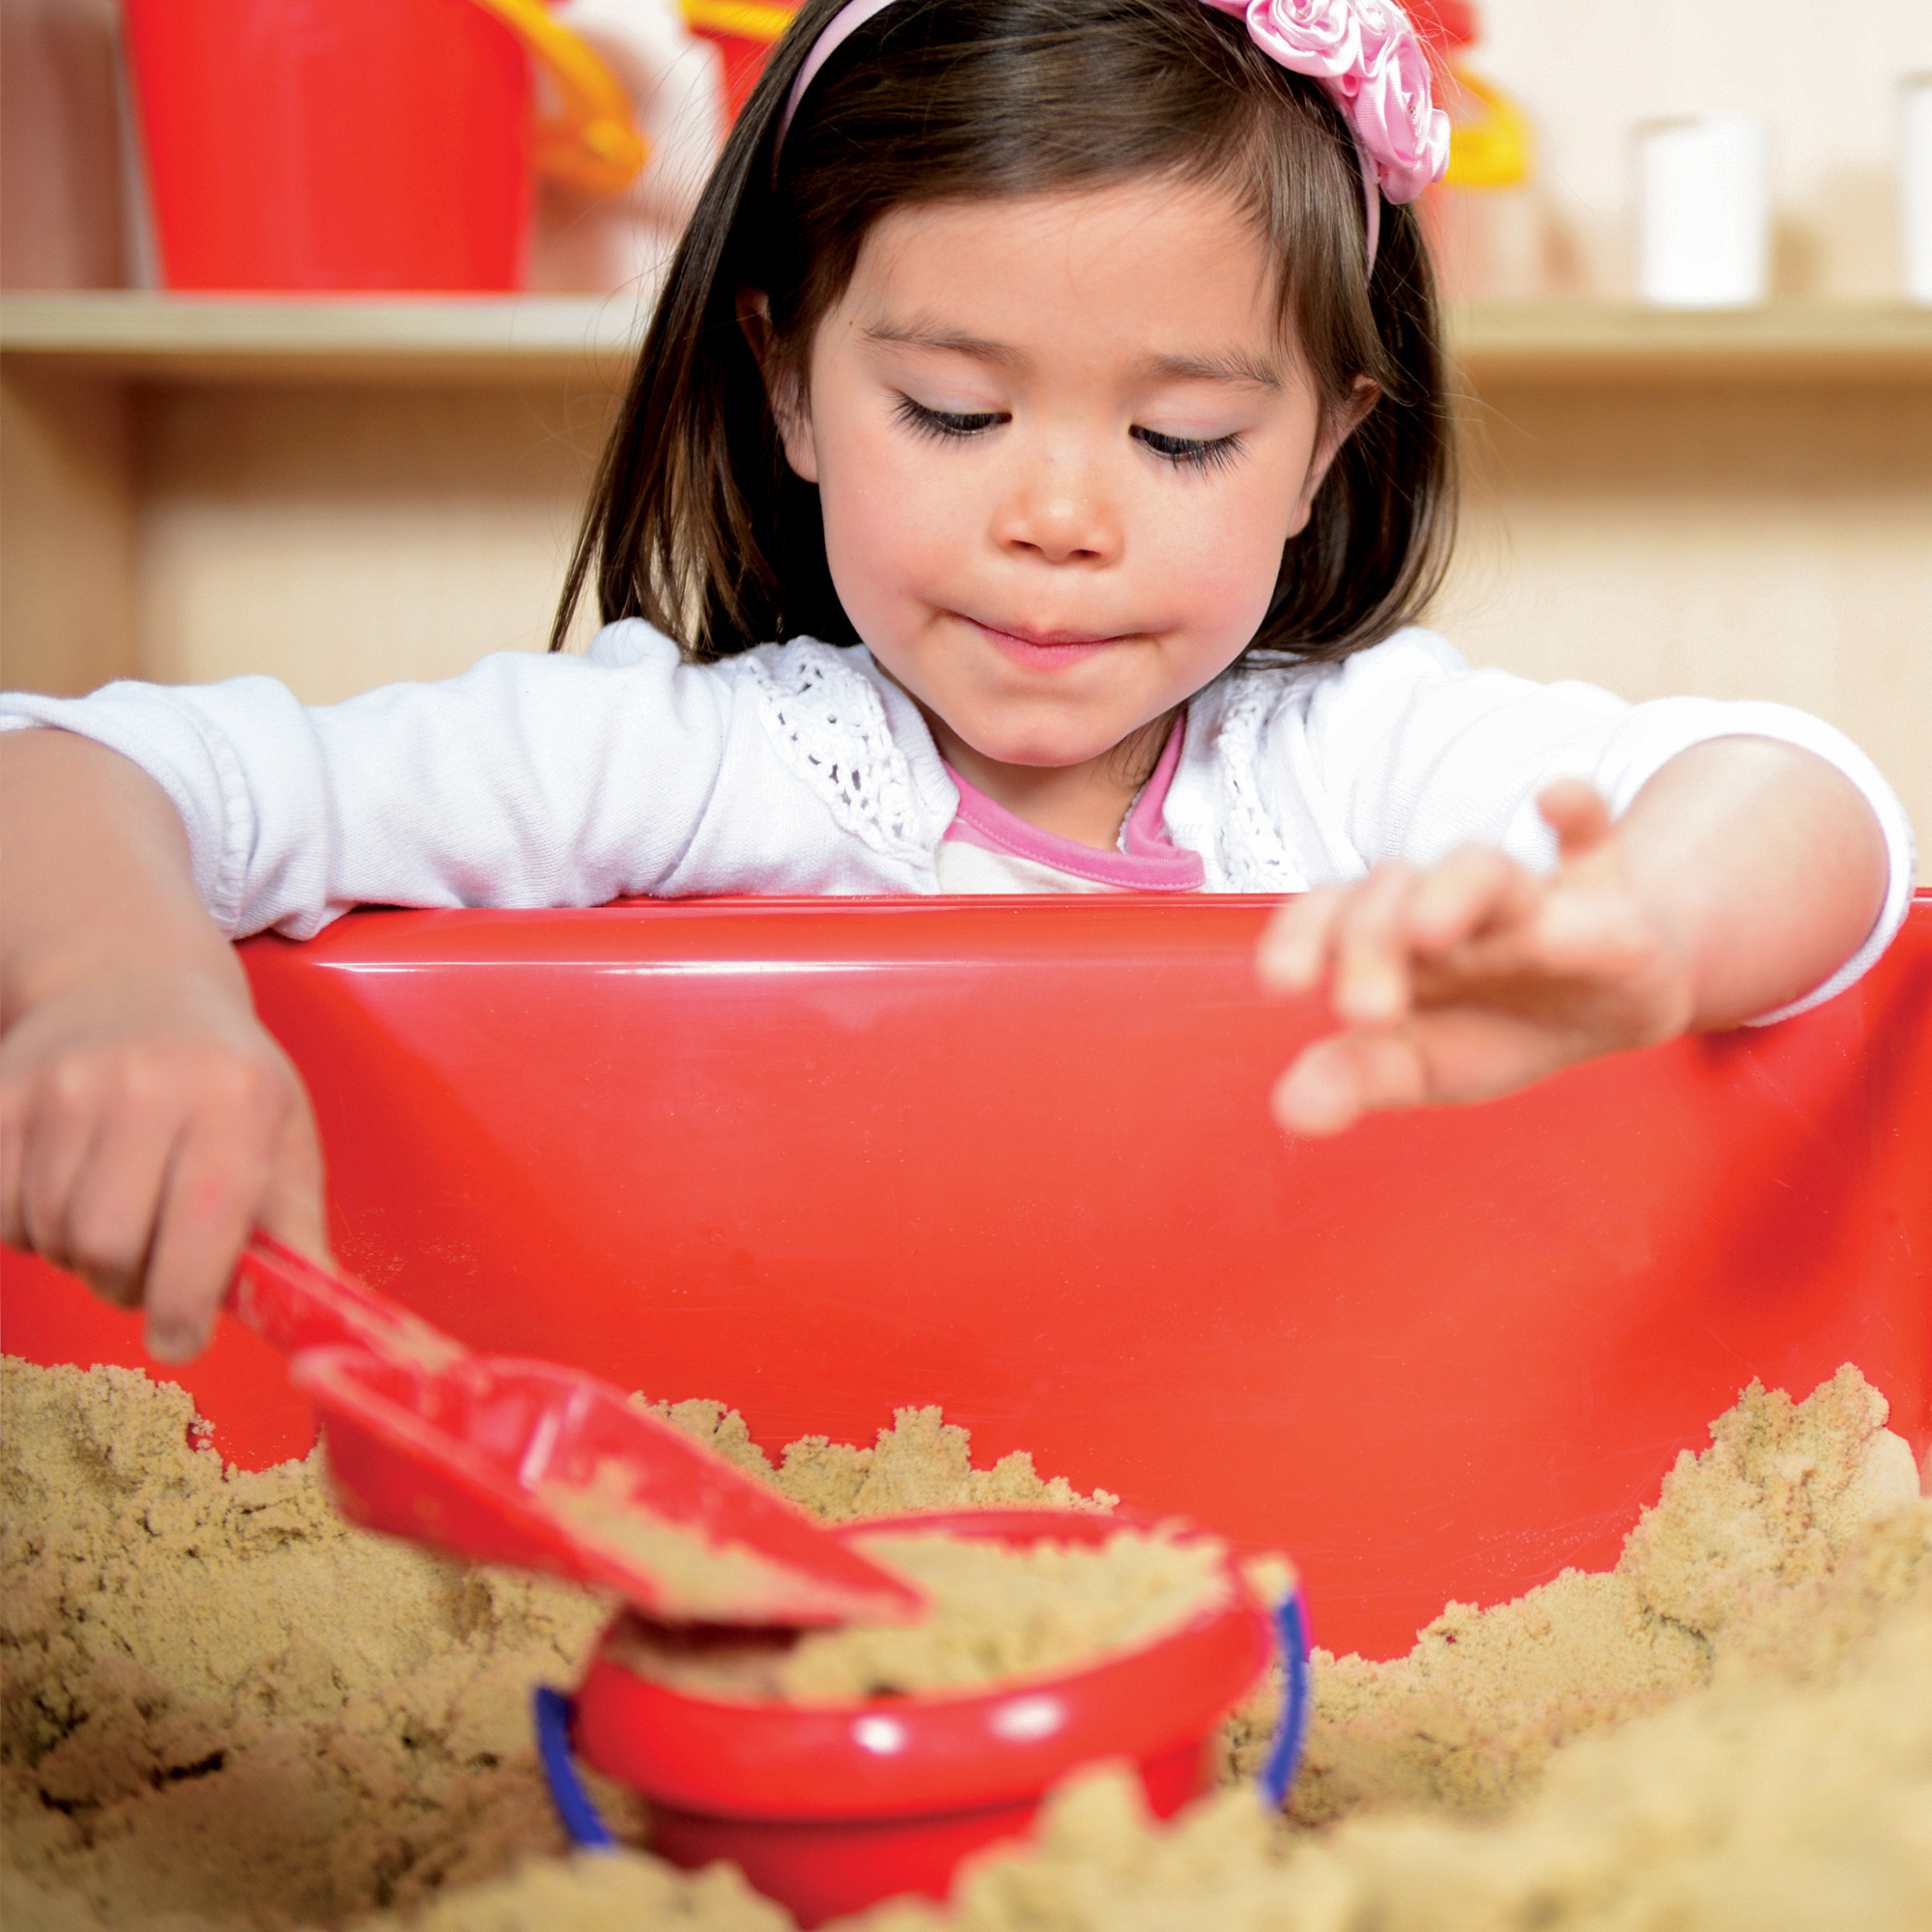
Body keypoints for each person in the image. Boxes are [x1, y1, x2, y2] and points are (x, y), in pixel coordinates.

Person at [0, 0, 1912, 1365]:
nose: (1058, 516)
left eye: (1180, 440)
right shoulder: (701, 760)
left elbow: (1804, 788)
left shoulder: (1336, 764)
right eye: (955, 411)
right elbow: (81, 764)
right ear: (785, 381)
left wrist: (1649, 931)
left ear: (1327, 443)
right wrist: (120, 983)